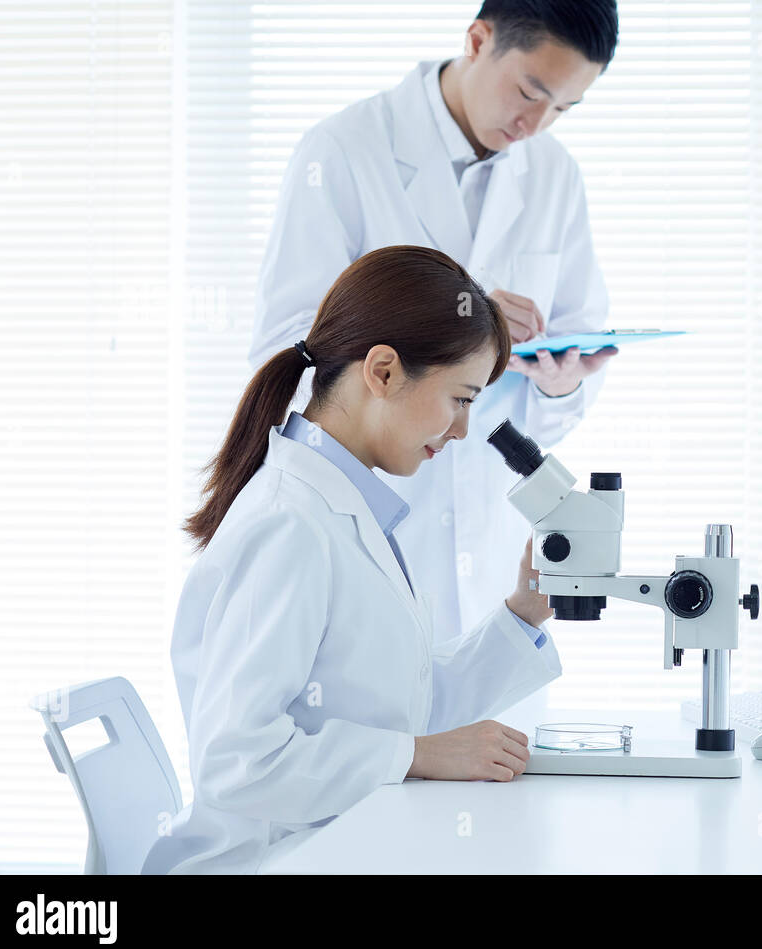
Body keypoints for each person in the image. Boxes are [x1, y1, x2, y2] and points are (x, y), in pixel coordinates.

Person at [142, 246, 560, 875]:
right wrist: (415, 756)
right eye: (462, 398)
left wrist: (523, 614)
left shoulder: (340, 503)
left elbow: (397, 706)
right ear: (384, 372)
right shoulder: (290, 523)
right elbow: (238, 763)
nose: (462, 431)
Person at [248, 1, 621, 644]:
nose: (537, 124)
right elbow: (289, 344)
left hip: (492, 540)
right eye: (531, 91)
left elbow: (560, 382)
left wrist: (562, 385)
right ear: (478, 40)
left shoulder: (555, 175)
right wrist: (462, 319)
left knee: (494, 727)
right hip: (368, 512)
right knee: (384, 726)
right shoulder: (343, 150)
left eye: (563, 107)